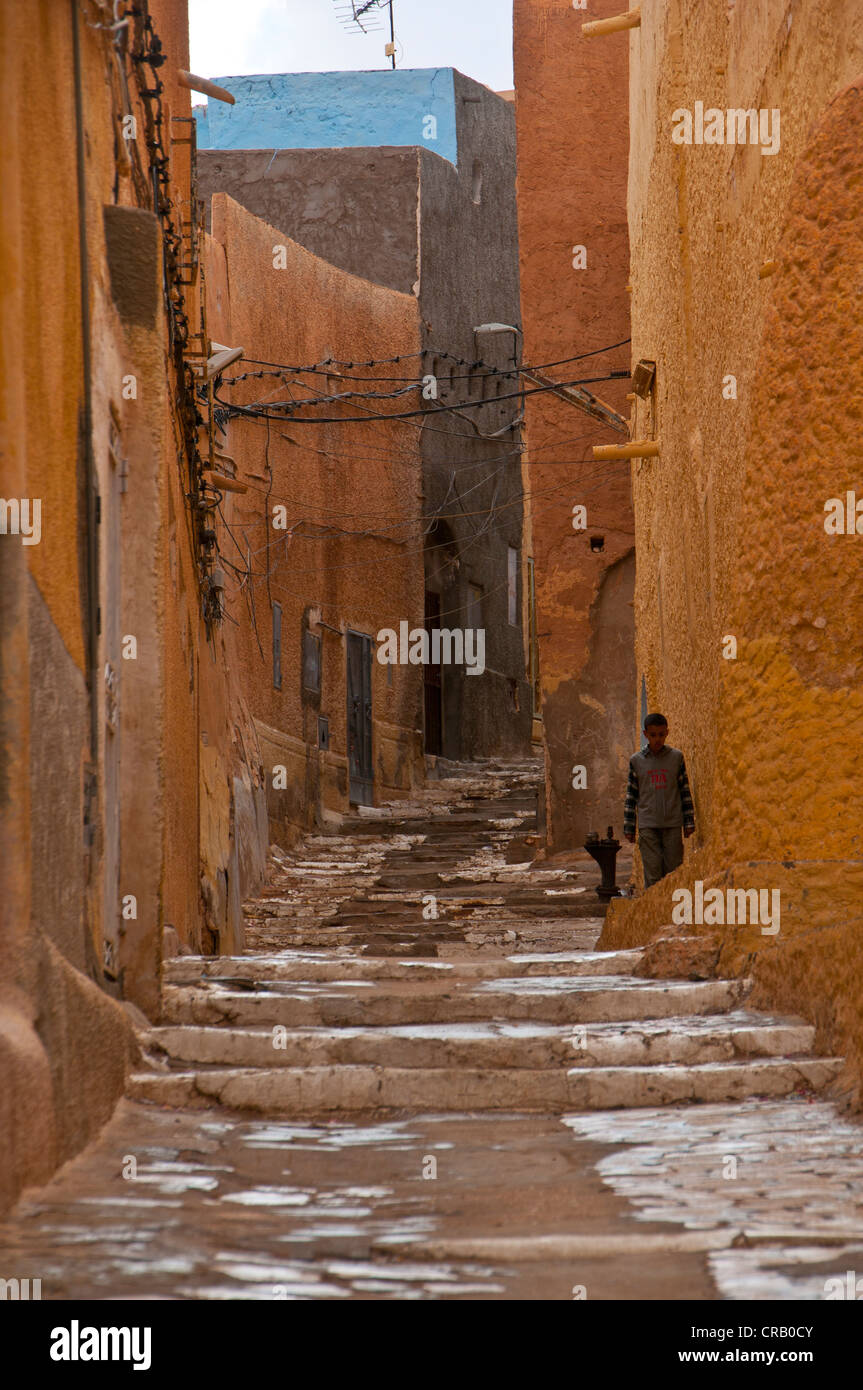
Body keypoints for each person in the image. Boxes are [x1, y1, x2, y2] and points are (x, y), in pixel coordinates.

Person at [623, 713, 695, 887]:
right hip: (648, 826)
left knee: (674, 874)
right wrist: (629, 827)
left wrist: (688, 821)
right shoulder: (636, 761)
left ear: (667, 733)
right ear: (645, 734)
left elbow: (684, 790)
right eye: (653, 735)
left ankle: (674, 910)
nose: (658, 739)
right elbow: (631, 795)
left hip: (672, 824)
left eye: (661, 735)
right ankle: (654, 913)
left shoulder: (676, 758)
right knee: (653, 874)